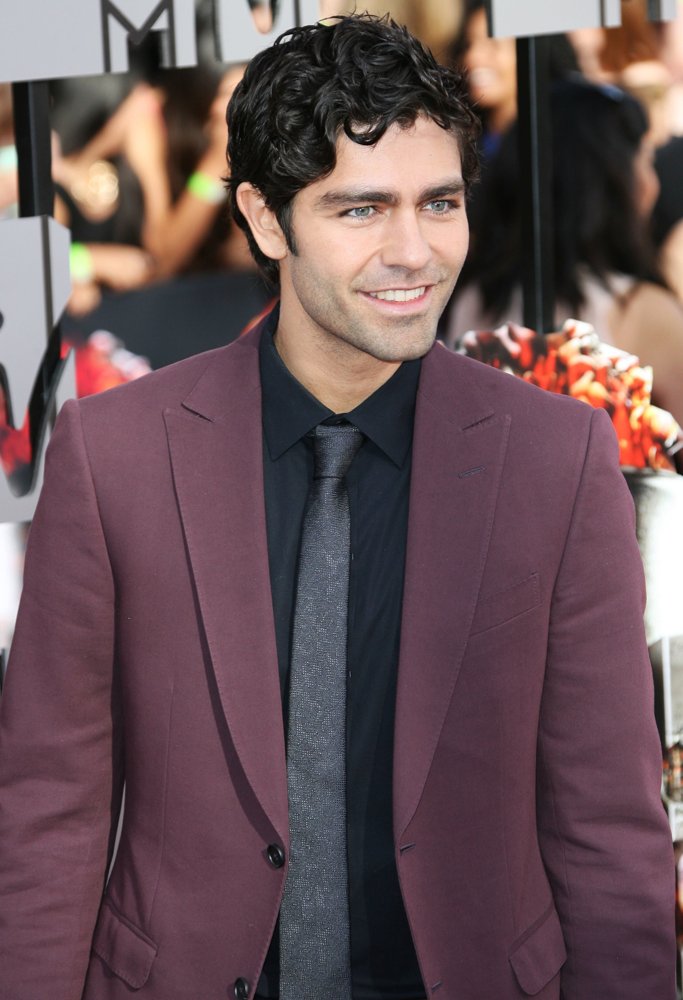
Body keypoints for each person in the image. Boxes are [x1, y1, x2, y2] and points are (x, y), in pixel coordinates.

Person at [0, 14, 675, 1000]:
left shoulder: (552, 457)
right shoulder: (116, 456)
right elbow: (49, 811)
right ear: (267, 221)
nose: (415, 252)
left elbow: (605, 826)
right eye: (360, 210)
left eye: (437, 202)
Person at [445, 76, 683, 426]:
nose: (653, 183)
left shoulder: (468, 298)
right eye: (646, 160)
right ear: (613, 182)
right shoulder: (640, 310)